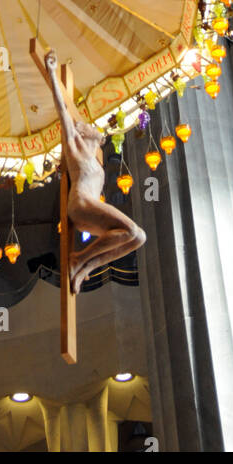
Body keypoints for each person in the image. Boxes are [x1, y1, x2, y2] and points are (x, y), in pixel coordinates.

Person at [43, 49, 145, 293]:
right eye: (88, 126)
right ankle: (79, 259)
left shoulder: (96, 158)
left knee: (138, 238)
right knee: (132, 231)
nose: (92, 127)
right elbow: (62, 111)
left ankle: (86, 265)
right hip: (80, 204)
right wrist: (52, 73)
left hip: (89, 208)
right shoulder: (75, 146)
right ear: (83, 131)